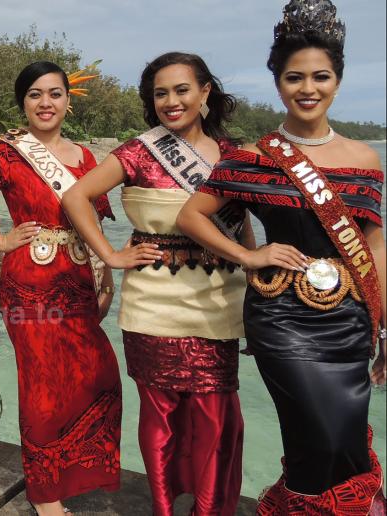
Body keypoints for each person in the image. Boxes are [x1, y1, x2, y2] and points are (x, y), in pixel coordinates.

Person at [177, 0, 386, 511]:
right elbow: (191, 216)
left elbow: (375, 247)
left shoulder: (365, 159)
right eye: (295, 77)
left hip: (350, 319)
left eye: (321, 76)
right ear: (278, 83)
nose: (308, 88)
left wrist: (384, 329)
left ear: (338, 81)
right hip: (281, 318)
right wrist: (249, 255)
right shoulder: (252, 159)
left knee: (344, 438)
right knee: (317, 435)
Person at [60, 52, 250, 515]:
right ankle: (163, 508)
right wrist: (111, 255)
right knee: (160, 415)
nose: (171, 101)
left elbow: (239, 223)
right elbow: (76, 196)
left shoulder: (234, 156)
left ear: (205, 92)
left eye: (182, 90)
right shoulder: (137, 151)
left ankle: (209, 509)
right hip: (152, 303)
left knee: (216, 415)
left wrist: (256, 275)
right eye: (160, 93)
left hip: (219, 302)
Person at [0, 61, 120, 516]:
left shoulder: (85, 157)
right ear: (22, 102)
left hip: (80, 278)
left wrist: (106, 275)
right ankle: (45, 494)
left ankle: (70, 471)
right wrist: (0, 241)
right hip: (31, 282)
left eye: (55, 94)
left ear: (67, 100)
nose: (46, 103)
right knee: (42, 385)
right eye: (35, 95)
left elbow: (95, 220)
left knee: (96, 375)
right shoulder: (7, 154)